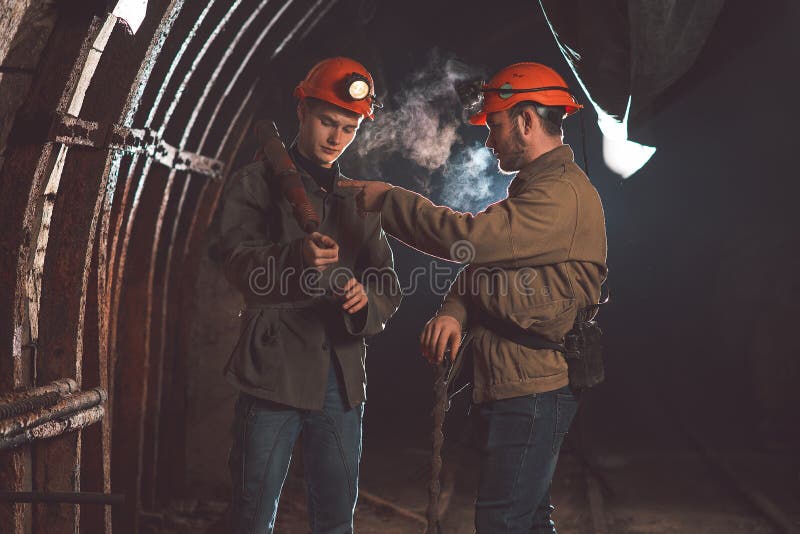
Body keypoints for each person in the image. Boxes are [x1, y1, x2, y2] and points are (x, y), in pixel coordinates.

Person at [341, 62, 608, 533]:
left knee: (503, 520)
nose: (489, 140)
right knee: (523, 519)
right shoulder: (538, 190)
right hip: (519, 379)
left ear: (526, 120)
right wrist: (453, 312)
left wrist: (388, 200)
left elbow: (467, 240)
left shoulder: (559, 196)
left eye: (498, 125)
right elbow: (489, 268)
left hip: (535, 386)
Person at [216, 57, 402, 534]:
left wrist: (366, 300)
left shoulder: (357, 198)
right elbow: (237, 264)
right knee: (252, 515)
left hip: (340, 379)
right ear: (301, 110)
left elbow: (386, 281)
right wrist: (294, 256)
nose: (336, 137)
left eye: (349, 127)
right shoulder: (254, 184)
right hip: (273, 371)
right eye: (326, 122)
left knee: (337, 521)